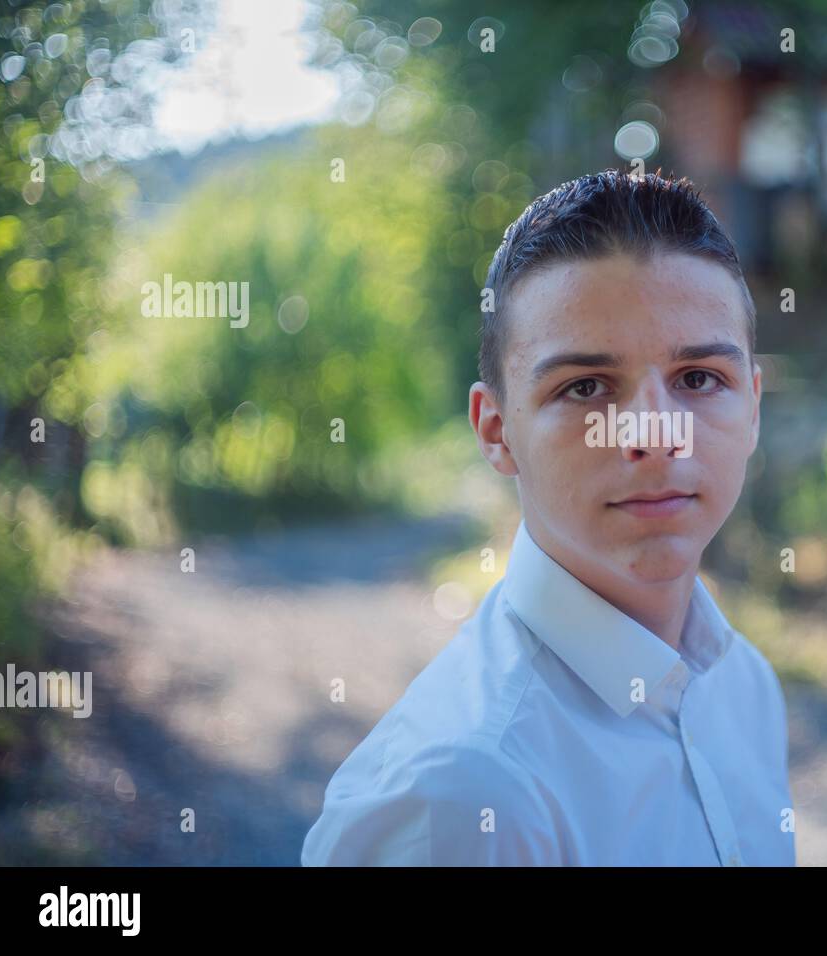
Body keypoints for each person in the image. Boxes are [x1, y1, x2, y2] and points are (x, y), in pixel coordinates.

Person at [302, 169, 794, 866]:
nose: (656, 434)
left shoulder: (745, 687)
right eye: (586, 387)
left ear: (752, 406)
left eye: (698, 379)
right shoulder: (460, 799)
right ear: (497, 431)